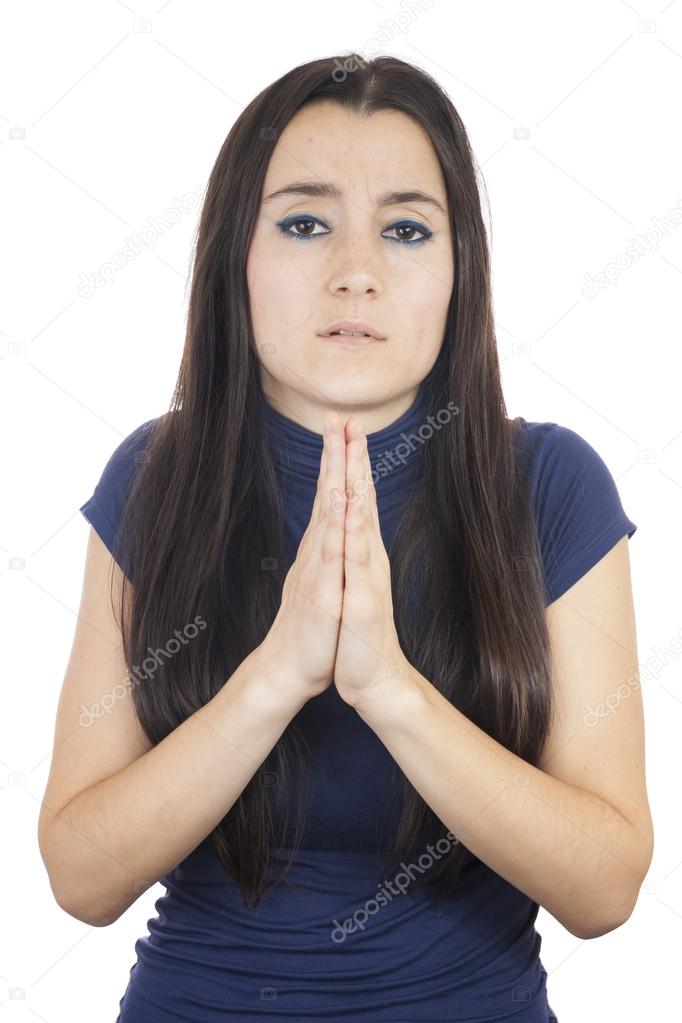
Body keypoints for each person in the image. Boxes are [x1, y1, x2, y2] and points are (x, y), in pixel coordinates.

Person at [37, 54, 653, 1022]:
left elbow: (606, 885)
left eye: (405, 230)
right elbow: (79, 872)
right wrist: (276, 675)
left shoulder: (550, 487)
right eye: (304, 223)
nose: (356, 273)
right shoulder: (156, 480)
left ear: (459, 273)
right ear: (234, 259)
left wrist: (388, 690)